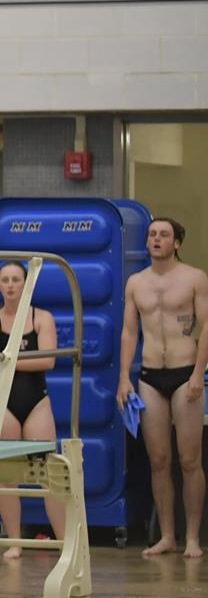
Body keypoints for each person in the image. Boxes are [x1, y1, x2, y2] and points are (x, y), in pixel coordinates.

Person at [118, 217, 207, 559]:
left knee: (189, 460)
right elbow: (129, 333)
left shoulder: (194, 278)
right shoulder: (136, 283)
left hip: (186, 374)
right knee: (158, 459)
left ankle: (194, 537)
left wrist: (200, 372)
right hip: (151, 375)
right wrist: (124, 377)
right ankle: (167, 535)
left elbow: (206, 325)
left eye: (164, 235)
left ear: (177, 243)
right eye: (152, 234)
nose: (156, 239)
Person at [0, 260, 64, 559]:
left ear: (26, 284)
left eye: (16, 280)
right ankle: (14, 541)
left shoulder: (41, 318)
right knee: (7, 476)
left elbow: (47, 360)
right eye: (5, 280)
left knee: (49, 474)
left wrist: (5, 359)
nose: (11, 285)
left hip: (35, 399)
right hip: (2, 403)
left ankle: (63, 540)